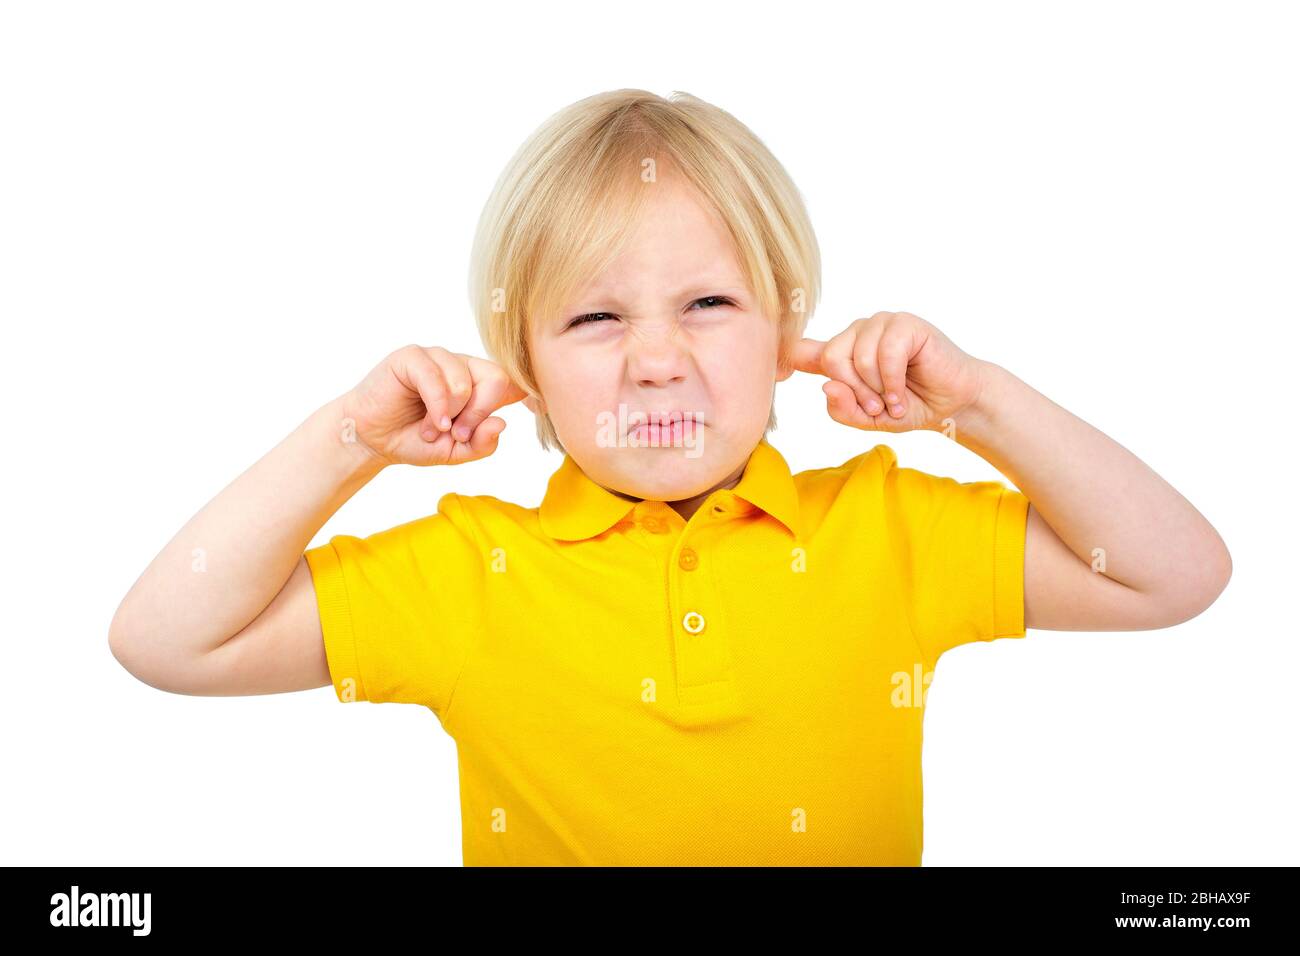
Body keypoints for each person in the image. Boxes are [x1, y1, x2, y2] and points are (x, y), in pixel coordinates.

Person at [108, 88, 1232, 865]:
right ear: (524, 369)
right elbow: (166, 639)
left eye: (708, 302)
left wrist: (979, 400)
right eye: (594, 317)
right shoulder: (470, 568)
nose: (657, 357)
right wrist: (348, 437)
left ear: (787, 327)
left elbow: (1174, 572)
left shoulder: (892, 526)